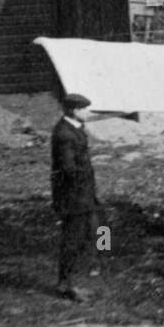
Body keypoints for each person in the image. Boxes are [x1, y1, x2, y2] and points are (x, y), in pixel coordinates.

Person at [52, 93, 102, 300]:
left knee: (99, 228)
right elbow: (68, 169)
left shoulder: (75, 129)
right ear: (74, 110)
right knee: (72, 240)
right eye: (85, 109)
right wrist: (83, 191)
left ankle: (97, 262)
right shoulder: (64, 134)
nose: (88, 113)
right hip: (73, 197)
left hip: (84, 194)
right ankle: (66, 284)